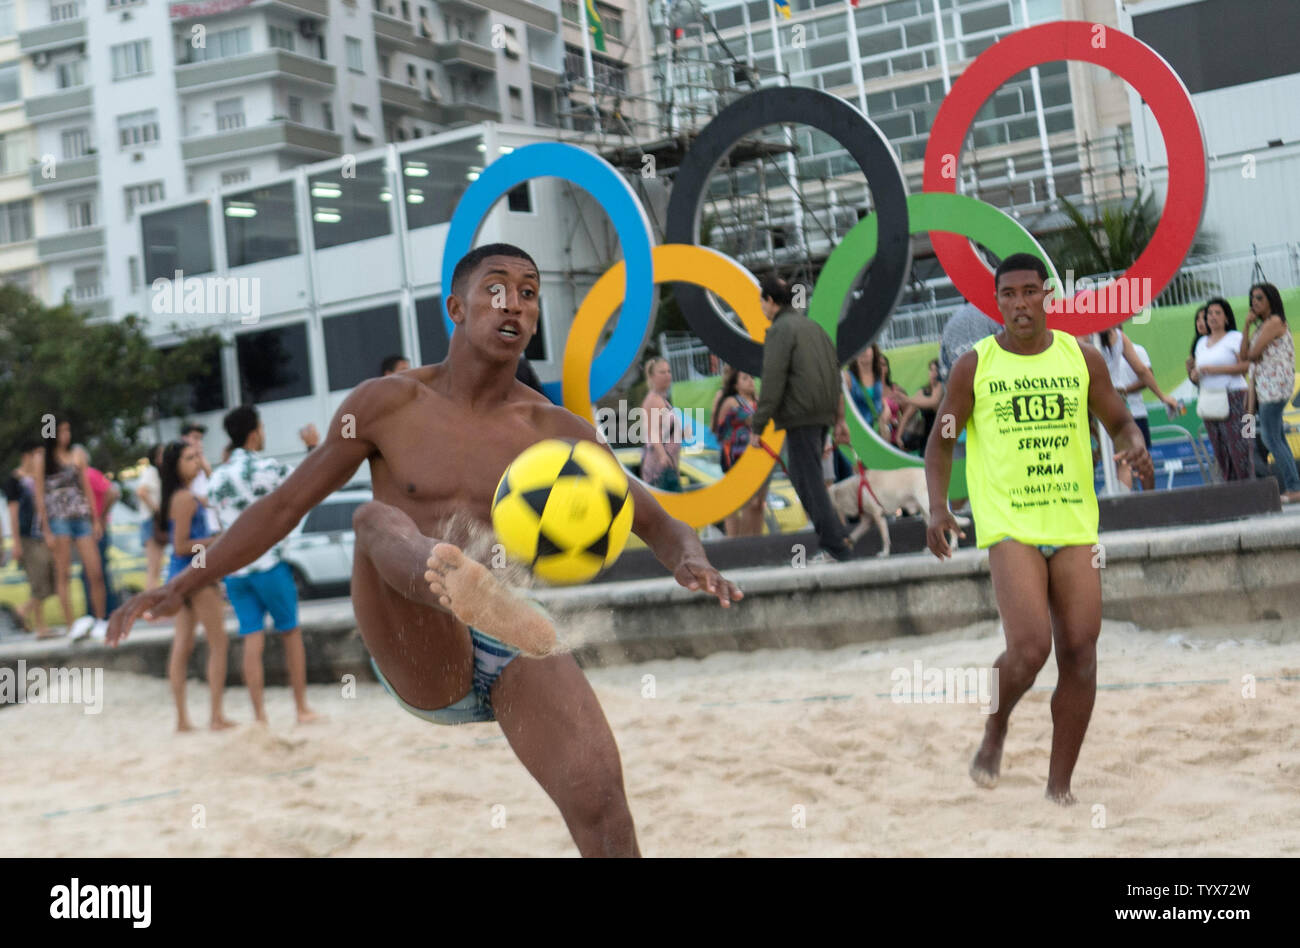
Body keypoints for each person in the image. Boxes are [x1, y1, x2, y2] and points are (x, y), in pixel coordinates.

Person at [110, 242, 742, 857]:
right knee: (373, 516)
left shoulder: (555, 433)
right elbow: (282, 506)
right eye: (496, 289)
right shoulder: (385, 405)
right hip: (418, 642)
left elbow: (657, 521)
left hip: (510, 635)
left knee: (601, 803)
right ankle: (450, 576)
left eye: (529, 294)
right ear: (456, 309)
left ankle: (481, 596)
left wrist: (693, 560)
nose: (515, 305)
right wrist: (184, 580)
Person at [925, 252, 1153, 805]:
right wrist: (937, 508)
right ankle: (996, 725)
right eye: (1009, 295)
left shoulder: (1082, 359)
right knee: (1030, 649)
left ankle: (1059, 788)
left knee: (1080, 650)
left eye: (1030, 292)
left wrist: (1134, 448)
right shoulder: (974, 367)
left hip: (1072, 517)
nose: (1021, 303)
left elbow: (1120, 420)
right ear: (997, 301)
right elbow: (942, 440)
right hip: (1010, 523)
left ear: (1047, 295)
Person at [207, 405, 322, 725]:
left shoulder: (217, 477)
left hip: (236, 572)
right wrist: (312, 448)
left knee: (251, 640)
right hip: (269, 563)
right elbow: (306, 482)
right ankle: (301, 708)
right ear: (254, 432)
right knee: (290, 634)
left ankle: (259, 716)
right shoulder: (266, 468)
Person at [750, 274, 855, 562]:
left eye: (762, 300)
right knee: (806, 477)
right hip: (821, 412)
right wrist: (838, 417)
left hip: (800, 415)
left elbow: (773, 379)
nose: (761, 306)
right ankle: (836, 536)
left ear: (770, 301)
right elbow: (835, 372)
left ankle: (835, 546)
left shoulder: (780, 330)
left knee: (808, 481)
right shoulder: (812, 326)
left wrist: (757, 425)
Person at [158, 439, 232, 732]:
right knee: (218, 644)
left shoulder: (181, 497)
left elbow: (216, 494)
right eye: (190, 458)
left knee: (183, 645)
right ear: (176, 466)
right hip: (196, 576)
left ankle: (182, 719)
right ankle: (215, 716)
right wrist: (215, 542)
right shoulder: (186, 499)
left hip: (180, 577)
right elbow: (181, 545)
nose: (196, 462)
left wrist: (204, 465)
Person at [33, 420, 108, 640]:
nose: (67, 434)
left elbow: (86, 488)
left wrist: (96, 519)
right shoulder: (43, 460)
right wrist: (45, 529)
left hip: (81, 517)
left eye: (68, 429)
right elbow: (40, 496)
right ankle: (70, 625)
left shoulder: (77, 455)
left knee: (95, 571)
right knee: (63, 573)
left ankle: (100, 620)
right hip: (58, 519)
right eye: (63, 430)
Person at [1097, 324, 1181, 489]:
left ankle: (1125, 503)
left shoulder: (1087, 337)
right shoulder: (1118, 336)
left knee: (1121, 460)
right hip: (1117, 401)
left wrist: (1162, 396)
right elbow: (1142, 370)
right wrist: (1162, 396)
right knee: (1127, 458)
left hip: (1099, 403)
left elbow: (1143, 371)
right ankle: (1144, 502)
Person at [1240, 282, 1300, 502]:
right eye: (1252, 299)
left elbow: (1253, 355)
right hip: (1264, 387)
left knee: (1270, 437)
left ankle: (1294, 487)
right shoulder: (1261, 325)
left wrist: (1250, 341)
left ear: (1271, 300)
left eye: (1259, 298)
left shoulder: (1274, 322)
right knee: (1277, 437)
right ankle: (1294, 486)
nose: (1254, 303)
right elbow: (1243, 355)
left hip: (1275, 387)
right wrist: (1246, 326)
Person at [1191, 298, 1253, 481]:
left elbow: (1246, 366)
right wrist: (1195, 374)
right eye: (1210, 313)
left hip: (1235, 397)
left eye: (1218, 313)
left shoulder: (1234, 338)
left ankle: (1248, 486)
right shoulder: (1201, 343)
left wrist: (1215, 370)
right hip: (1210, 398)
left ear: (1226, 317)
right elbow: (1198, 368)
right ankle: (1231, 488)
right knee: (1220, 448)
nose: (1213, 317)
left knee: (1240, 446)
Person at [4, 441, 59, 638]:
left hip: (42, 535)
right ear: (27, 456)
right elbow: (13, 514)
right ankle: (41, 627)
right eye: (37, 455)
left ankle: (22, 610)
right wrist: (16, 543)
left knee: (53, 580)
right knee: (38, 581)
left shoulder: (39, 480)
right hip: (27, 537)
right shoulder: (15, 481)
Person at [711, 366, 764, 536]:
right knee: (744, 501)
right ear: (736, 385)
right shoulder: (731, 402)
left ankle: (756, 538)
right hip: (735, 456)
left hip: (757, 456)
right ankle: (741, 540)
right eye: (745, 378)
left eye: (751, 377)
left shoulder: (758, 400)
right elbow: (719, 428)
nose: (750, 381)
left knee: (758, 503)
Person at [79, 463, 120, 629]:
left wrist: (101, 516)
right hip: (91, 529)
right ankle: (99, 614)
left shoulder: (89, 474)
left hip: (95, 530)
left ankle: (101, 614)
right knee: (93, 572)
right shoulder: (87, 474)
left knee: (95, 572)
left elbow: (112, 492)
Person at [640, 357, 682, 491]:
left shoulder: (662, 399)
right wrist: (663, 456)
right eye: (662, 372)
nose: (667, 375)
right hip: (659, 469)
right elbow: (652, 433)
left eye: (669, 371)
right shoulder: (654, 400)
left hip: (668, 465)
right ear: (652, 377)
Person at [844, 345, 895, 439]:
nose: (863, 351)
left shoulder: (878, 373)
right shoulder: (848, 377)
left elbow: (880, 398)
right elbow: (842, 407)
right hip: (859, 434)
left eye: (867, 347)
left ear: (874, 351)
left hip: (879, 432)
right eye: (860, 348)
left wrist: (887, 408)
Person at [895, 359, 944, 454]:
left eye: (937, 370)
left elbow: (934, 403)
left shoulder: (945, 388)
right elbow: (906, 416)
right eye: (931, 370)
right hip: (928, 438)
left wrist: (907, 399)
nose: (933, 373)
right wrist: (898, 436)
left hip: (946, 433)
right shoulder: (923, 392)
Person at [136, 445, 166, 591]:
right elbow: (141, 492)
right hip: (151, 522)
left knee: (156, 568)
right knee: (154, 568)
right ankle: (152, 607)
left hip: (153, 521)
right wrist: (157, 511)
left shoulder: (158, 473)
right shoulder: (151, 472)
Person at [181, 422, 220, 533]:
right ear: (184, 438)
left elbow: (212, 480)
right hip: (195, 523)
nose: (199, 442)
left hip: (211, 522)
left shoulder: (201, 459)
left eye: (200, 439)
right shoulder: (181, 463)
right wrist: (200, 500)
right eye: (195, 438)